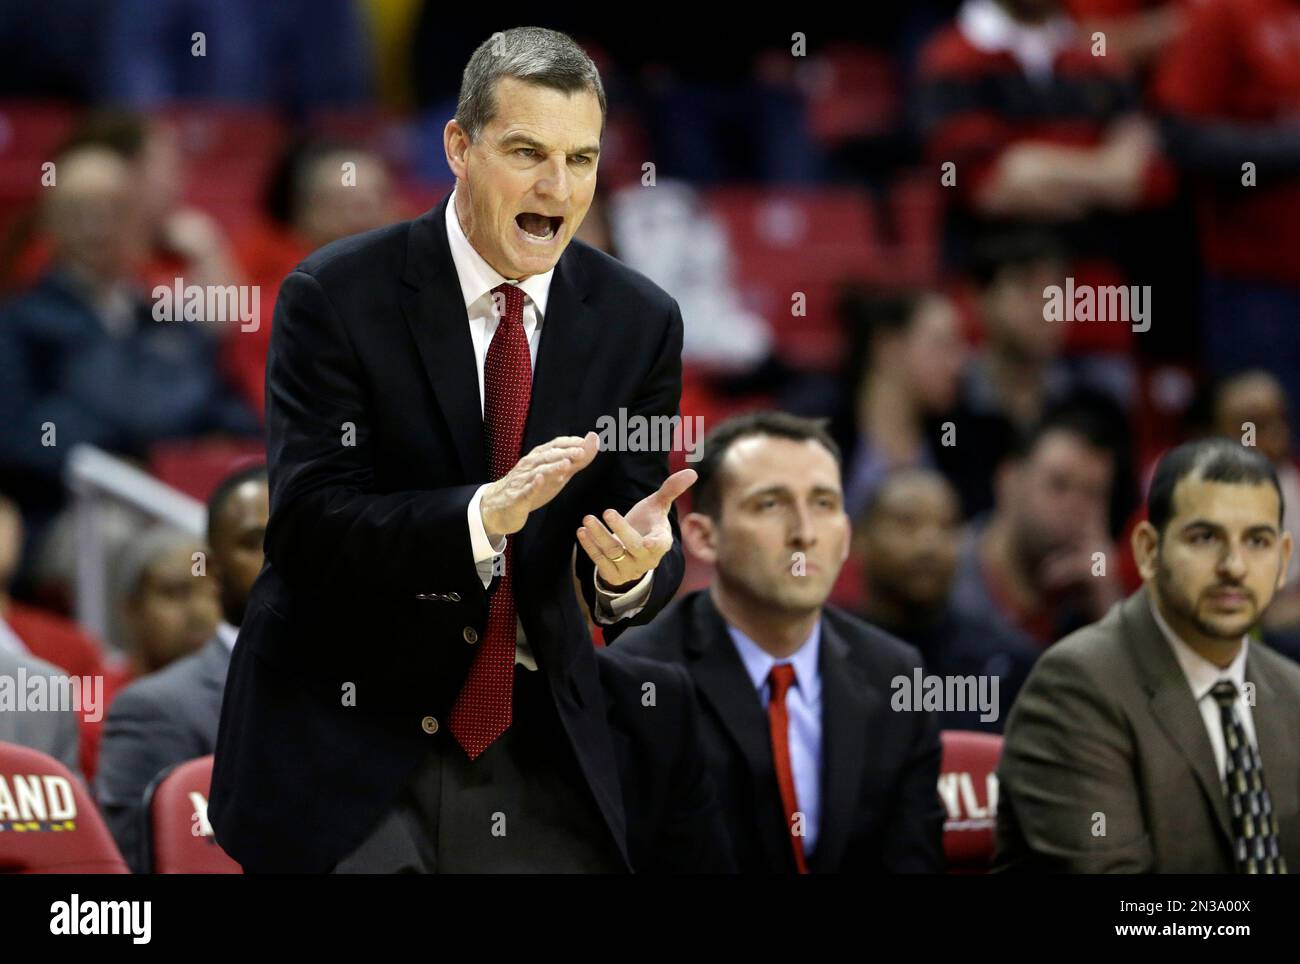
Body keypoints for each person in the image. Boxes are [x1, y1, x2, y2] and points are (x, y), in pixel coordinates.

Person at [209, 27, 692, 874]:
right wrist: (479, 516)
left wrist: (631, 574)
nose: (557, 186)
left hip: (534, 736)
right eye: (527, 152)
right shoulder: (336, 295)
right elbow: (310, 529)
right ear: (459, 148)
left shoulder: (638, 322)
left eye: (581, 160)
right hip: (349, 735)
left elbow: (633, 524)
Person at [618, 412, 945, 873]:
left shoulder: (896, 674)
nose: (805, 533)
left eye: (825, 504)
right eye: (770, 504)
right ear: (703, 537)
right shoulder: (637, 680)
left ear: (847, 535)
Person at [996, 438, 1300, 872]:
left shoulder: (1292, 692)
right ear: (1148, 551)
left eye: (1257, 541)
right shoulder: (1076, 687)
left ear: (1284, 558)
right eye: (1205, 537)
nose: (1234, 565)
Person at [96, 465, 267, 872]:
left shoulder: (364, 686)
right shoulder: (155, 708)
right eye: (256, 542)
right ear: (211, 566)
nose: (282, 557)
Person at [856, 468, 1037, 732]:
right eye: (907, 522)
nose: (929, 544)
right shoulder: (821, 657)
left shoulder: (1004, 665)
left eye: (947, 525)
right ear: (860, 539)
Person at [952, 406, 1122, 648]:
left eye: (1093, 494)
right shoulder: (948, 576)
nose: (1075, 506)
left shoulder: (1087, 596)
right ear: (1008, 480)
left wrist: (1106, 598)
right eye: (1059, 484)